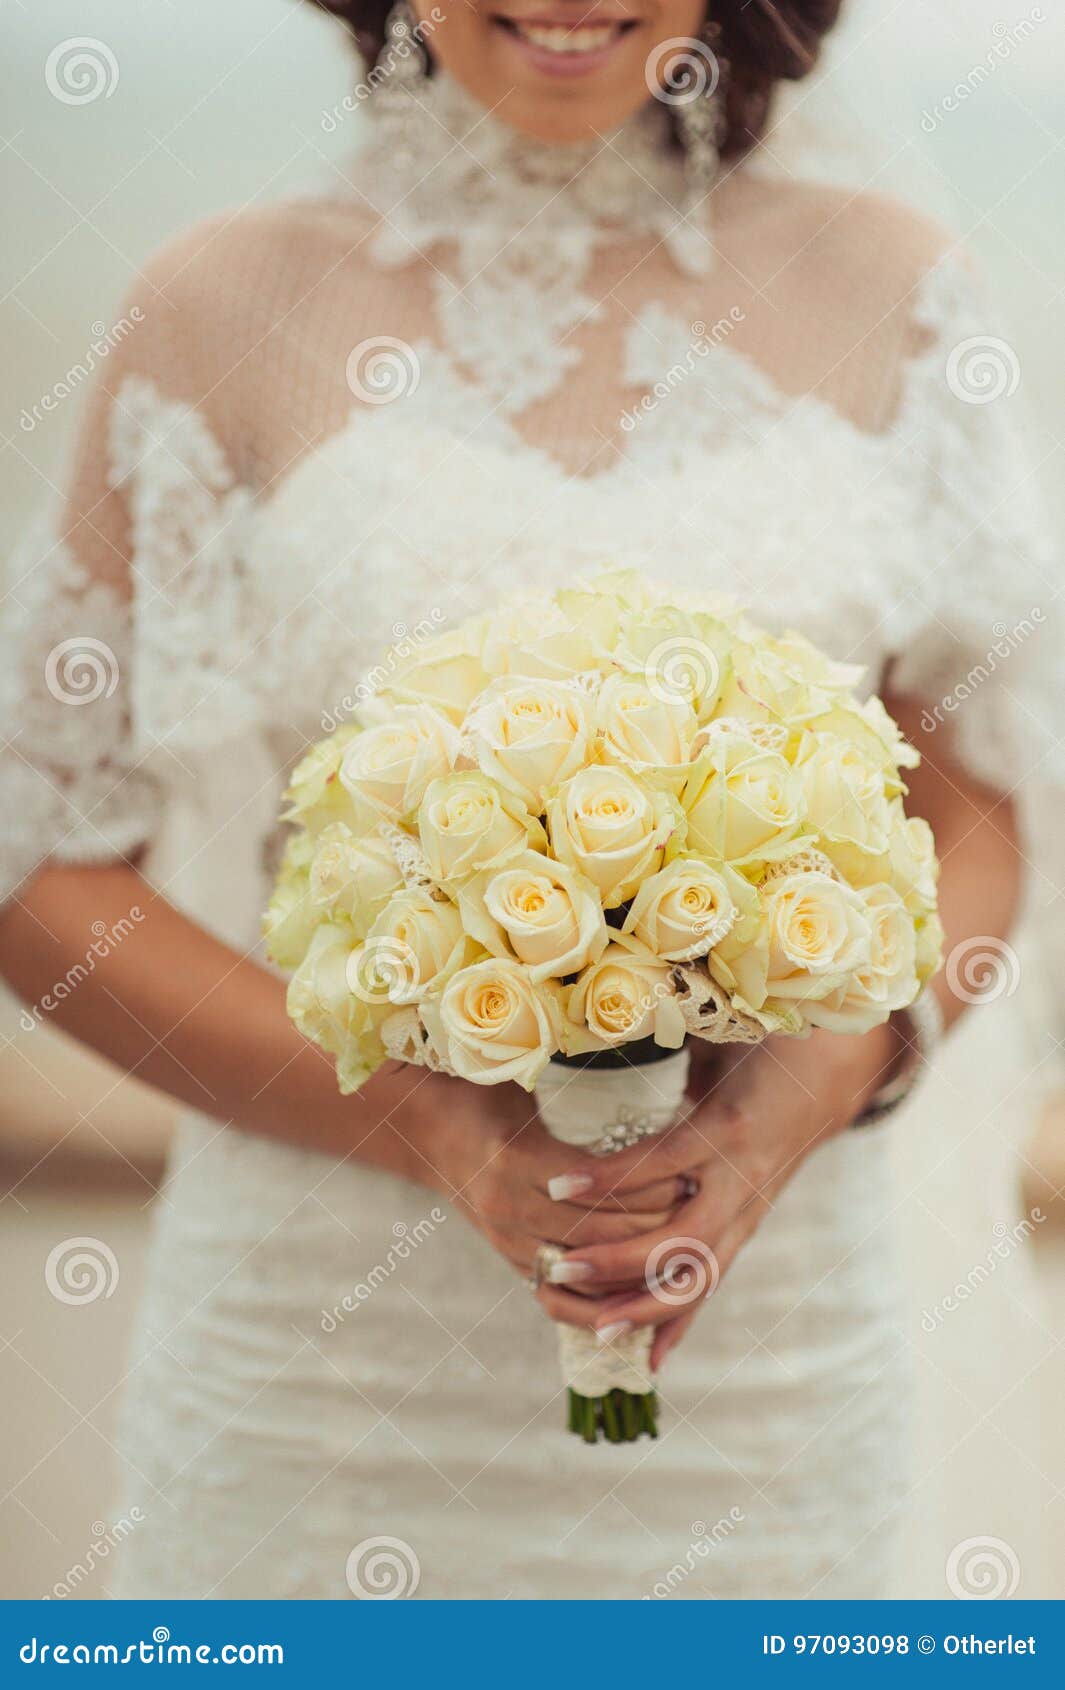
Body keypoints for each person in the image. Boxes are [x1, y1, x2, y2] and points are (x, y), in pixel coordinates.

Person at [0, 0, 1056, 1598]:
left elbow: (972, 802)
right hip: (324, 1383)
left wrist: (799, 1100)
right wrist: (423, 1117)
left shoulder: (898, 291)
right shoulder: (216, 303)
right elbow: (39, 859)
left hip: (773, 1386)